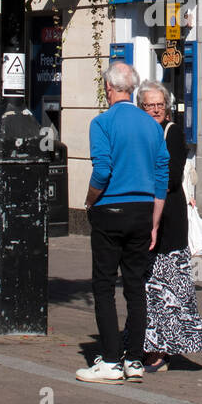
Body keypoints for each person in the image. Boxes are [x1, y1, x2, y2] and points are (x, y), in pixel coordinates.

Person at [76, 62, 168, 384]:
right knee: (135, 286)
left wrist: (89, 199)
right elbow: (161, 177)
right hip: (142, 211)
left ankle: (111, 360)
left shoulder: (101, 122)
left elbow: (102, 169)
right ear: (133, 89)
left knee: (103, 284)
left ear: (109, 89)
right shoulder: (153, 126)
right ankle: (135, 360)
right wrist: (154, 222)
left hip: (110, 209)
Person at [137, 81, 202, 371]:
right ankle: (149, 345)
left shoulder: (172, 132)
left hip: (168, 223)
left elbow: (169, 177)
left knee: (167, 291)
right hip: (144, 220)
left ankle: (161, 351)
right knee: (148, 289)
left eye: (159, 105)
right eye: (149, 105)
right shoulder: (140, 132)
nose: (155, 109)